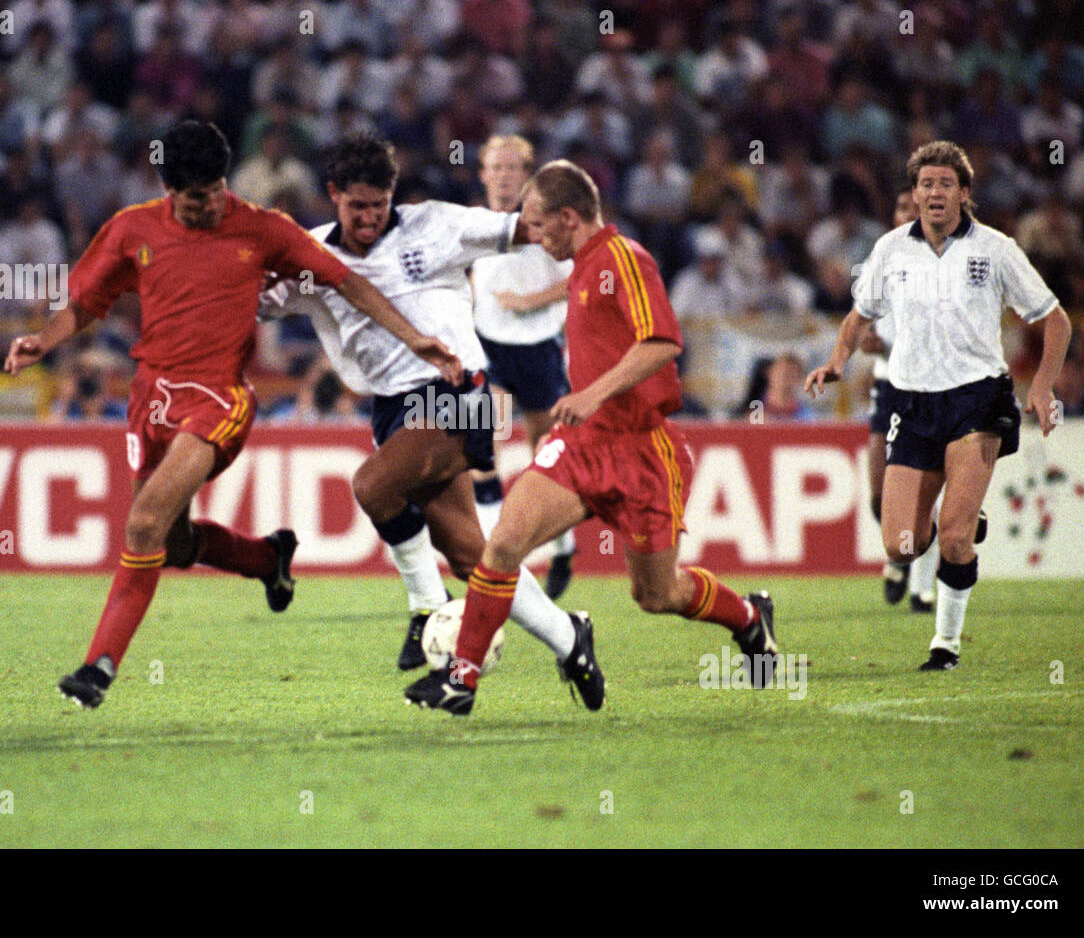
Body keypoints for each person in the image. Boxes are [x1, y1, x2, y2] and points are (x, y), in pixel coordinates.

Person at [4, 121, 459, 708]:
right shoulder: (131, 230)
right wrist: (45, 340)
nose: (211, 203)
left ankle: (97, 668)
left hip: (218, 399)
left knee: (141, 523)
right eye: (197, 197)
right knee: (168, 541)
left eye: (217, 189)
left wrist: (415, 337)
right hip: (152, 399)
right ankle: (267, 558)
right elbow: (85, 303)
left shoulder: (264, 229)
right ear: (170, 191)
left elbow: (347, 283)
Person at [405, 159, 778, 716]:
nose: (531, 235)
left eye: (537, 223)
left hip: (642, 452)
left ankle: (748, 618)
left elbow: (663, 343)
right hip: (580, 445)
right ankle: (462, 678)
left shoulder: (625, 259)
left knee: (657, 595)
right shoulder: (578, 267)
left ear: (569, 216)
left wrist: (591, 393)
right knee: (503, 543)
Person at [262, 134, 594, 691]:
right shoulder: (313, 255)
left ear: (393, 193)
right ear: (333, 195)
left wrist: (573, 230)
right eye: (356, 206)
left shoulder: (435, 225)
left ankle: (425, 607)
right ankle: (569, 638)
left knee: (371, 486)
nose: (369, 218)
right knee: (471, 554)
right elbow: (253, 299)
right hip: (393, 407)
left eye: (379, 203)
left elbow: (521, 230)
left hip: (457, 392)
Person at [806, 141, 1071, 671]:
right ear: (914, 192)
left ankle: (944, 645)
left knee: (949, 538)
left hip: (978, 398)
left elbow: (1055, 320)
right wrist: (837, 361)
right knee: (901, 545)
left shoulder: (995, 250)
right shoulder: (890, 250)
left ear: (964, 194)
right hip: (912, 402)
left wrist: (1040, 388)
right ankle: (967, 522)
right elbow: (859, 317)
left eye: (945, 184)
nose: (933, 193)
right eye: (925, 184)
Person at [468, 135, 576, 598]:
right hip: (486, 345)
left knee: (544, 451)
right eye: (497, 166)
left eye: (514, 166)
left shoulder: (547, 223)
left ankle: (564, 549)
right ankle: (496, 560)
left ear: (527, 174)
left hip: (537, 347)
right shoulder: (471, 225)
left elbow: (577, 276)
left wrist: (530, 301)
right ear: (483, 173)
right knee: (479, 443)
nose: (505, 174)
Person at [864, 187, 938, 612]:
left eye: (915, 208)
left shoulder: (943, 262)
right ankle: (899, 555)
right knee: (880, 495)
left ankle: (922, 584)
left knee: (924, 492)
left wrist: (888, 346)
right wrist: (866, 340)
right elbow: (861, 315)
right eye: (900, 206)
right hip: (887, 386)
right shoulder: (882, 257)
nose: (907, 214)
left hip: (926, 387)